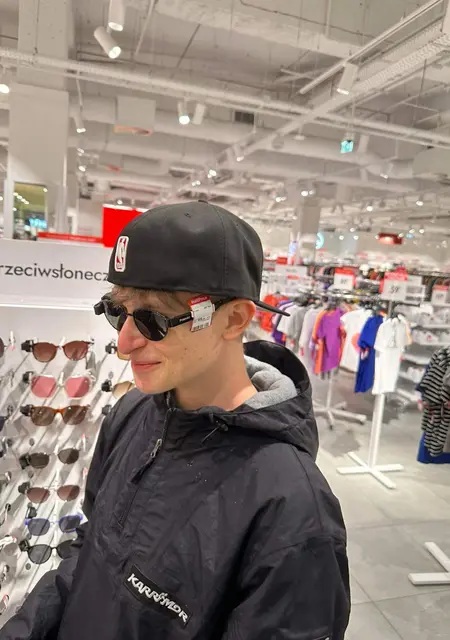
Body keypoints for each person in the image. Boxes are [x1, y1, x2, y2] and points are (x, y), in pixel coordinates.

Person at [2, 201, 350, 640]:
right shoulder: (132, 413)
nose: (124, 343)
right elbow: (90, 553)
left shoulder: (294, 508)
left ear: (234, 319)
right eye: (116, 312)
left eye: (154, 320)